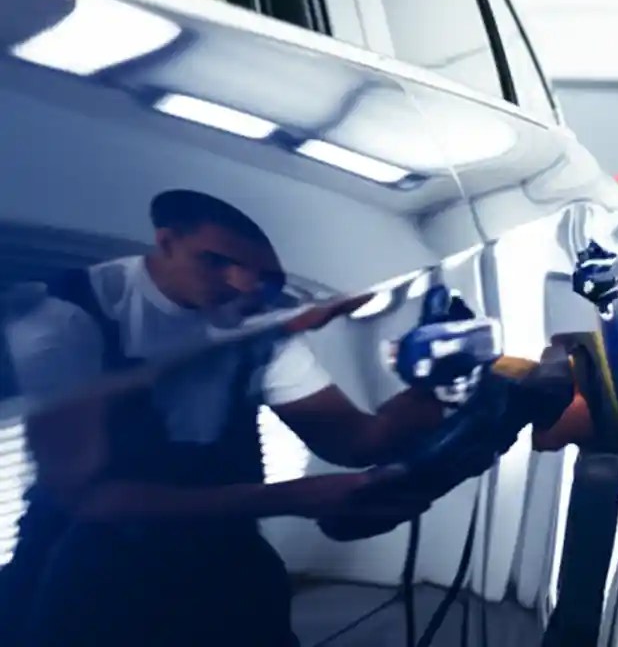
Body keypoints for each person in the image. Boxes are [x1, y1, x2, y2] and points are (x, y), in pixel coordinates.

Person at [0, 189, 539, 646]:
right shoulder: (65, 319)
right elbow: (85, 498)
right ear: (166, 241)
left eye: (258, 275)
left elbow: (356, 442)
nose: (240, 284)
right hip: (88, 575)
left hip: (223, 563)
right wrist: (291, 498)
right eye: (217, 260)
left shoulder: (256, 325)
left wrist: (438, 387)